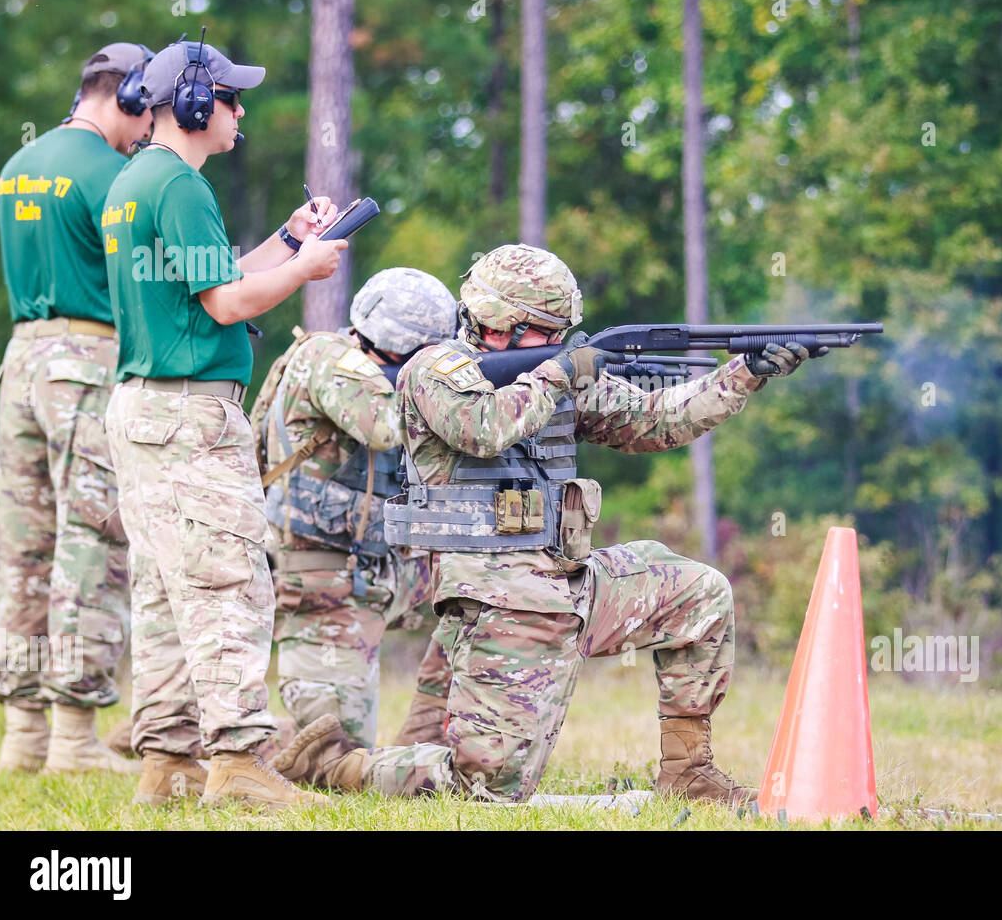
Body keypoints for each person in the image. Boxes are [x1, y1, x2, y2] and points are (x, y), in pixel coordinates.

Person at [275, 243, 821, 805]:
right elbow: (481, 427)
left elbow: (660, 421)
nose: (562, 342)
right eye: (548, 330)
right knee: (483, 792)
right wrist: (557, 376)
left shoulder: (552, 372)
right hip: (499, 601)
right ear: (501, 325)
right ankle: (339, 769)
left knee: (700, 594)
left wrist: (745, 373)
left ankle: (688, 775)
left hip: (573, 579)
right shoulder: (431, 371)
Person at [101, 34, 346, 809]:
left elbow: (213, 275)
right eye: (232, 98)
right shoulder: (180, 186)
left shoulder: (138, 179)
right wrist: (305, 272)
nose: (241, 111)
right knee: (226, 580)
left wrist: (286, 241)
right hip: (188, 415)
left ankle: (168, 764)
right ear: (198, 104)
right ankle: (239, 765)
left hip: (144, 408)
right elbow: (227, 304)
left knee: (167, 589)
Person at [0, 43, 156, 775]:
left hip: (21, 361)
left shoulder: (16, 168)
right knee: (92, 541)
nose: (148, 134)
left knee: (24, 549)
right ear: (126, 98)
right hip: (85, 362)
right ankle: (73, 740)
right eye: (146, 116)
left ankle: (20, 737)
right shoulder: (112, 174)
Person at [250, 267, 458, 749]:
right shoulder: (330, 361)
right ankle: (217, 739)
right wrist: (455, 389)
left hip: (395, 565)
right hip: (326, 583)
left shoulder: (374, 364)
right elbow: (385, 427)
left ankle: (429, 732)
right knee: (337, 755)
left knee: (494, 596)